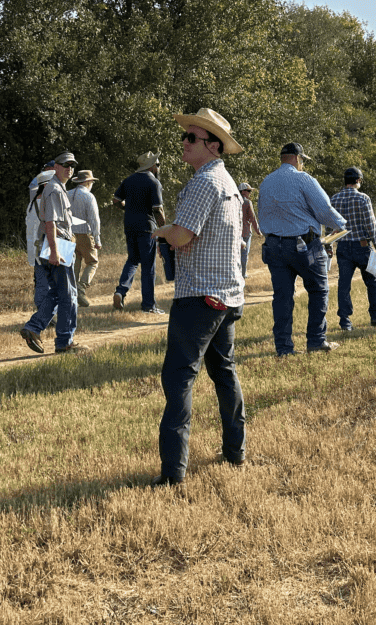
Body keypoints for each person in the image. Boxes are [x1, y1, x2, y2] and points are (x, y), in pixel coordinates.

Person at [151, 108, 247, 486]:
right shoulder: (227, 182)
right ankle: (235, 451)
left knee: (178, 378)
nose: (184, 143)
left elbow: (182, 235)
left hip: (199, 297)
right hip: (226, 296)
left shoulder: (204, 182)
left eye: (191, 138)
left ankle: (173, 473)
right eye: (186, 137)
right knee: (224, 372)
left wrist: (159, 232)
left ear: (212, 145)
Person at [256, 142, 347, 356]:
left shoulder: (266, 182)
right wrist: (340, 225)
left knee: (282, 297)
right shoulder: (303, 179)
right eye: (302, 160)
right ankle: (316, 340)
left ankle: (284, 348)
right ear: (298, 158)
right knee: (318, 290)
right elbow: (324, 209)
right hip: (304, 246)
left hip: (274, 246)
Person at [20, 151, 87, 354]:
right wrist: (56, 251)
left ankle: (33, 328)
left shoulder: (55, 189)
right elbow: (50, 223)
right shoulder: (56, 190)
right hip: (59, 245)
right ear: (55, 167)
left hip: (55, 245)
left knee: (58, 294)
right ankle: (65, 342)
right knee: (69, 295)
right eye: (65, 164)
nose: (69, 168)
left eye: (72, 165)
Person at [330, 167, 376, 331]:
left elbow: (330, 226)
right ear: (358, 180)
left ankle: (345, 321)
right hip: (362, 246)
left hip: (343, 247)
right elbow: (371, 226)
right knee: (372, 282)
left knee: (344, 285)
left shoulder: (334, 199)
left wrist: (328, 246)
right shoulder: (363, 199)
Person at [112, 151, 167, 315]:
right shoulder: (153, 182)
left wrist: (127, 208)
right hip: (146, 227)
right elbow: (157, 210)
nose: (158, 166)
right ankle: (148, 305)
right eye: (157, 164)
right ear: (151, 166)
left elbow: (115, 200)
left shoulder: (128, 180)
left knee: (133, 260)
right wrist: (164, 229)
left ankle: (120, 291)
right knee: (148, 267)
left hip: (129, 226)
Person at [67, 169, 102, 307]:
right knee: (92, 262)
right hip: (84, 234)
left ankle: (72, 292)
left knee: (74, 263)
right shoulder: (89, 196)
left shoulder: (67, 194)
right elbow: (94, 220)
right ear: (87, 182)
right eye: (91, 182)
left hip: (69, 234)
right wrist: (97, 239)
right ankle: (81, 288)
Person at [237, 182, 262, 278]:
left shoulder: (233, 200)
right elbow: (252, 218)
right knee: (244, 254)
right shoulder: (247, 202)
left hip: (235, 233)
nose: (250, 193)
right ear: (243, 191)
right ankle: (242, 274)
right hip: (245, 232)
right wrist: (258, 231)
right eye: (248, 191)